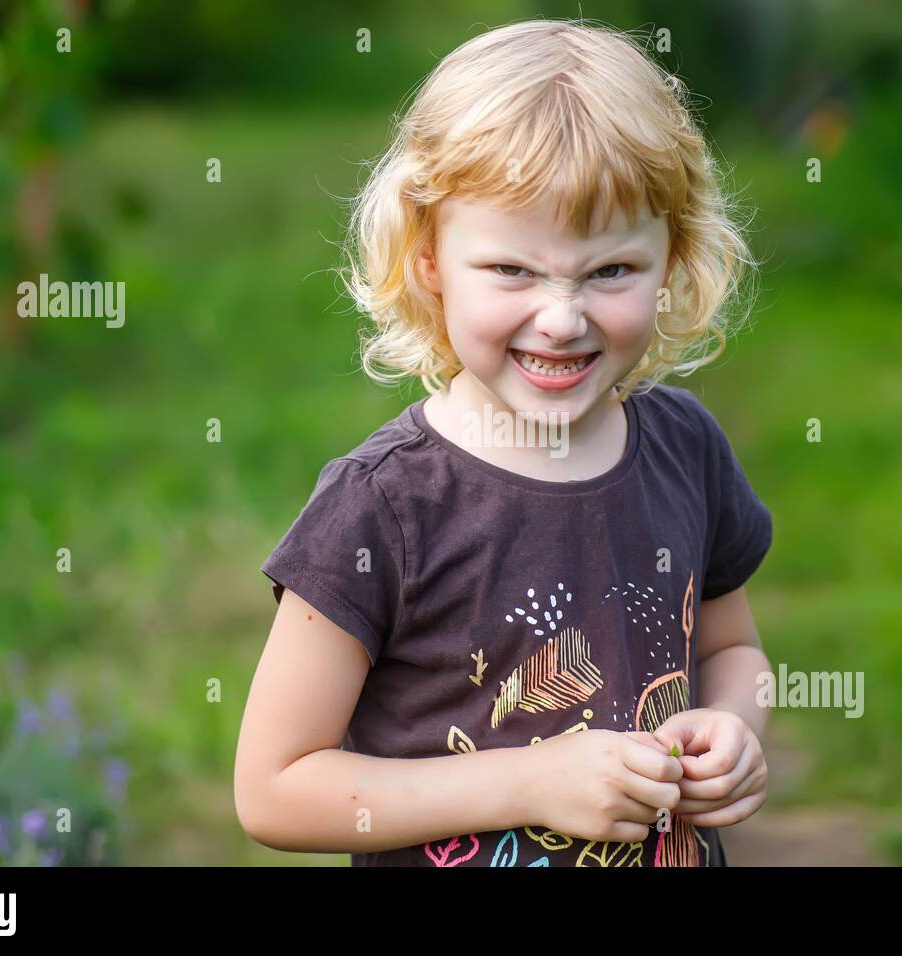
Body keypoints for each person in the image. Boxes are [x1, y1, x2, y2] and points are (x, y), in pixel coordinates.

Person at [234, 18, 773, 867]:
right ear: (428, 262)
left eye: (610, 272)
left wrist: (734, 728)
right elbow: (275, 787)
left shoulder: (685, 450)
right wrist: (529, 781)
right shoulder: (383, 508)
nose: (562, 319)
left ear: (671, 260)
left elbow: (730, 648)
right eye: (512, 271)